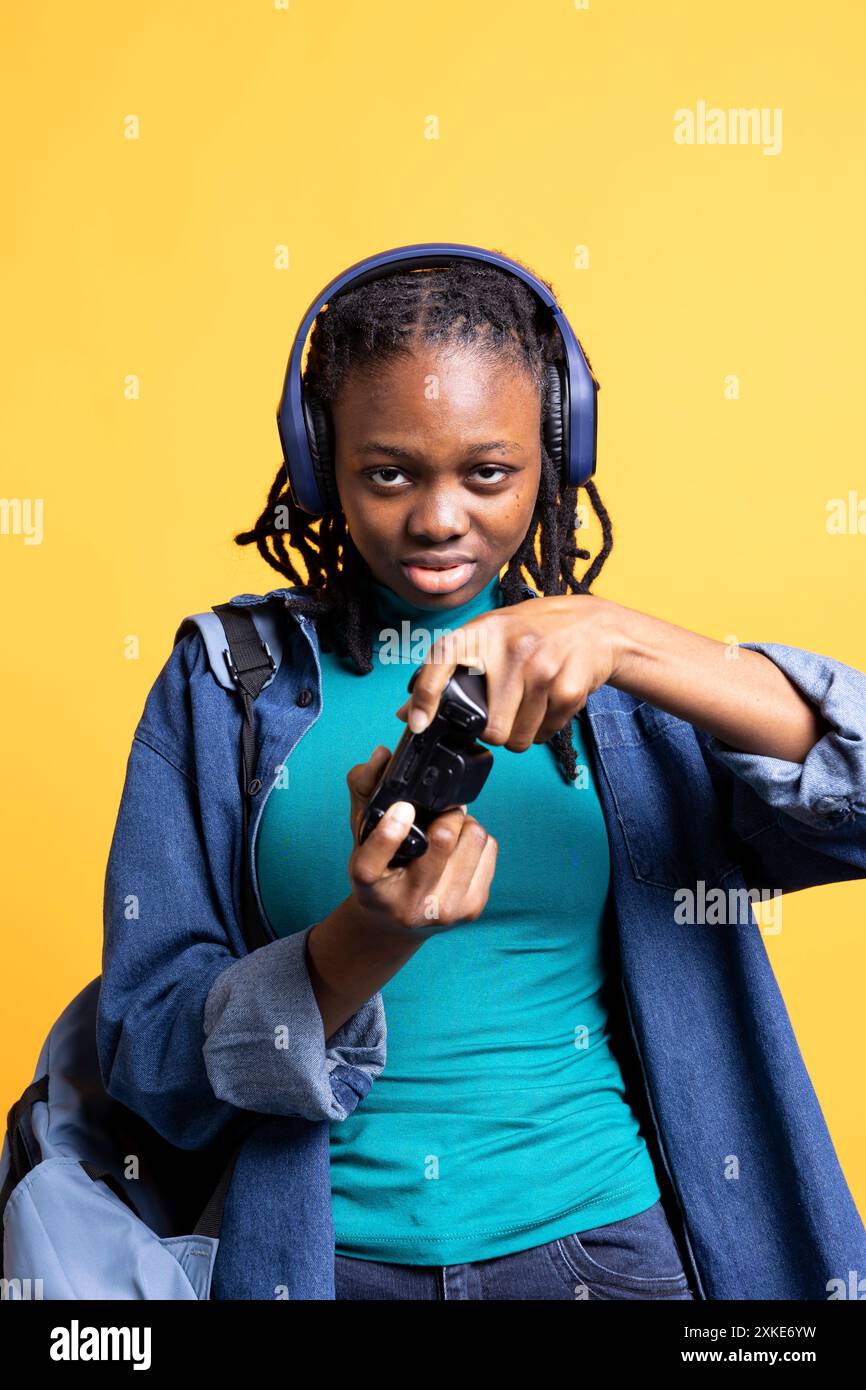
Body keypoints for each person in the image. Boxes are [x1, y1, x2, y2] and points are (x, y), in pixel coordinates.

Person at [97, 254, 866, 1301]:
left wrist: (618, 634)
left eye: (487, 473)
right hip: (320, 1265)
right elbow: (148, 1062)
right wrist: (361, 940)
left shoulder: (616, 685)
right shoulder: (229, 682)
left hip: (607, 1257)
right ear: (319, 463)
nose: (438, 518)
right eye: (388, 473)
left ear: (556, 453)